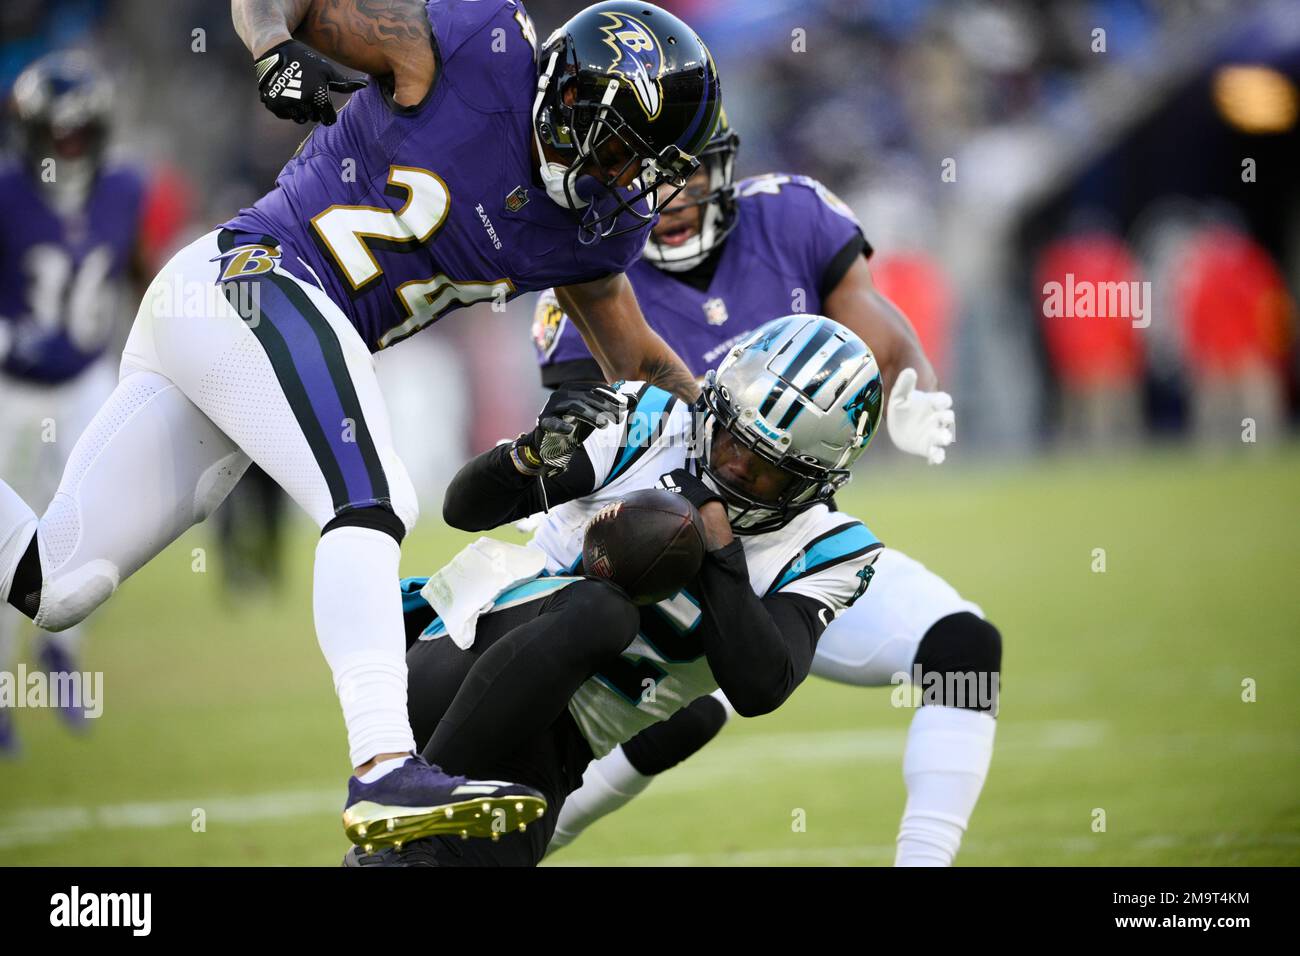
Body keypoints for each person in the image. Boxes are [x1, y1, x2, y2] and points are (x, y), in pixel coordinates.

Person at [0, 0, 720, 848]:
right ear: (568, 99)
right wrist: (273, 48)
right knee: (372, 498)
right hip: (256, 276)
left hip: (241, 325)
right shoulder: (473, 54)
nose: (629, 180)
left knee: (56, 586)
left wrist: (721, 425)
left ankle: (387, 770)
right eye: (622, 150)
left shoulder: (590, 229)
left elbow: (634, 359)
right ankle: (384, 767)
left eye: (646, 165)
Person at [535, 117, 1001, 866]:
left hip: (791, 546)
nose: (671, 196)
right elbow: (591, 448)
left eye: (683, 172)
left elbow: (874, 327)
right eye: (649, 177)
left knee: (963, 649)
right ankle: (510, 847)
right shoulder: (592, 283)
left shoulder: (792, 214)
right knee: (678, 719)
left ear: (721, 167)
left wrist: (911, 380)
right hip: (672, 555)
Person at [349, 314, 885, 865]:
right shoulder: (648, 422)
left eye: (764, 470)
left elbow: (759, 686)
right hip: (461, 658)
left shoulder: (830, 550)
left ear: (813, 482)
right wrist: (526, 457)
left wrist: (714, 541)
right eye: (730, 439)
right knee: (600, 610)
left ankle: (401, 836)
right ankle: (402, 795)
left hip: (552, 754)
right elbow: (464, 509)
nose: (733, 465)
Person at [0, 53, 157, 752]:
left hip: (89, 377)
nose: (68, 150)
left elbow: (139, 272)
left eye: (78, 135)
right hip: (10, 385)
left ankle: (63, 650)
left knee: (97, 523)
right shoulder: (7, 193)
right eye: (57, 137)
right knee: (8, 541)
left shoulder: (125, 186)